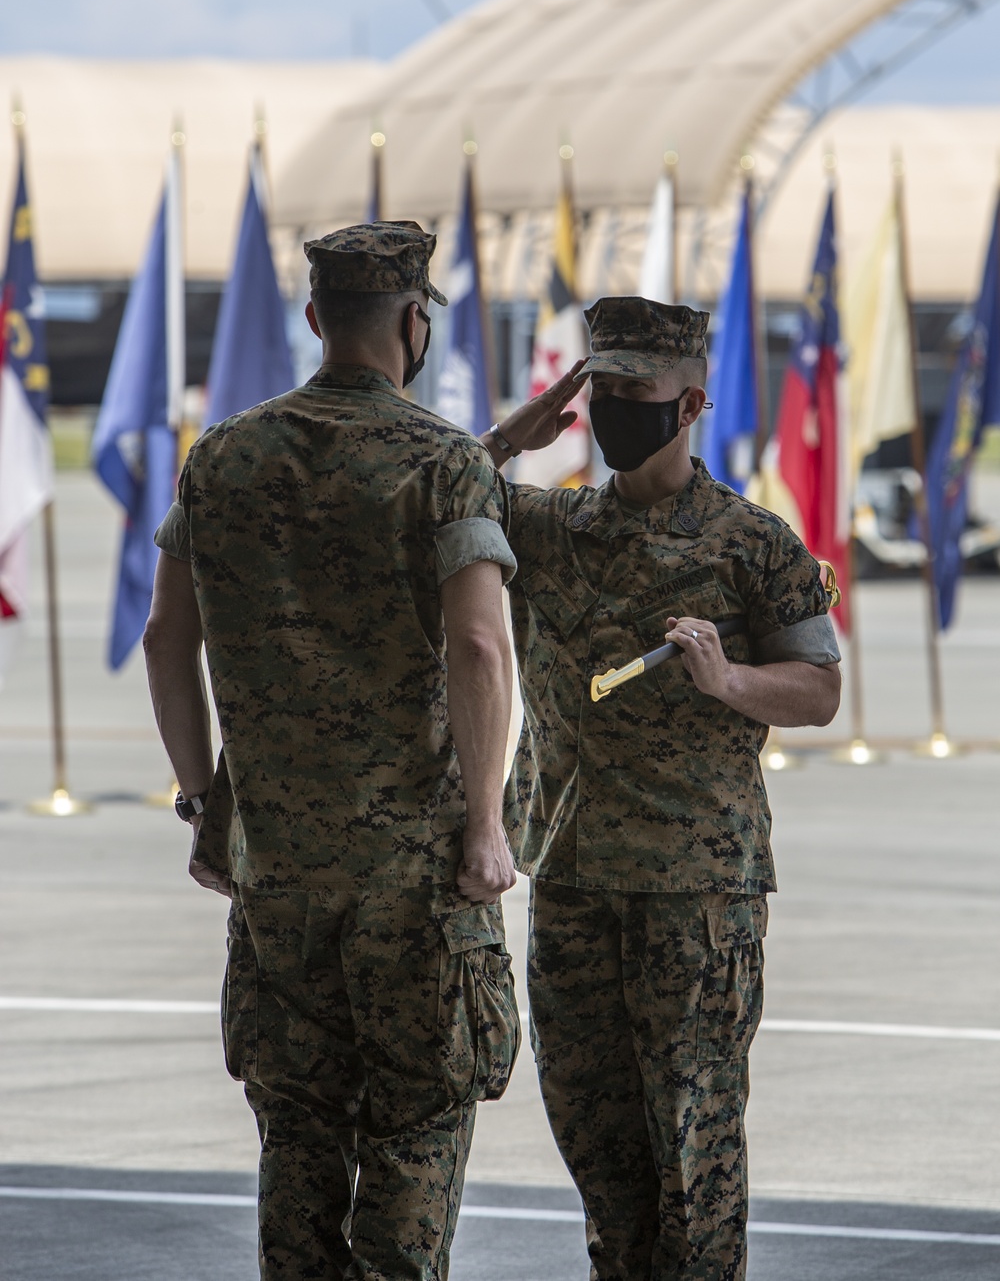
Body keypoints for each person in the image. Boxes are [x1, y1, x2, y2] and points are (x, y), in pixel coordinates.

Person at [143, 220, 521, 1281]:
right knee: (416, 1124)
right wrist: (486, 826)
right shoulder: (443, 463)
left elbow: (166, 639)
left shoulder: (222, 455)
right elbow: (481, 644)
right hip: (415, 878)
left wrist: (204, 799)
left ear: (316, 320)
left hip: (281, 878)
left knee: (299, 1132)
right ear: (414, 323)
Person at [480, 297, 842, 1281]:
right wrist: (513, 434)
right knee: (596, 1143)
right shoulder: (545, 527)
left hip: (696, 889)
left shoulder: (751, 542)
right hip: (571, 880)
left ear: (688, 407)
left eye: (632, 395)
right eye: (598, 392)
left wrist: (729, 682)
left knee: (696, 1145)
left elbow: (818, 687)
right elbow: (431, 496)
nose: (608, 413)